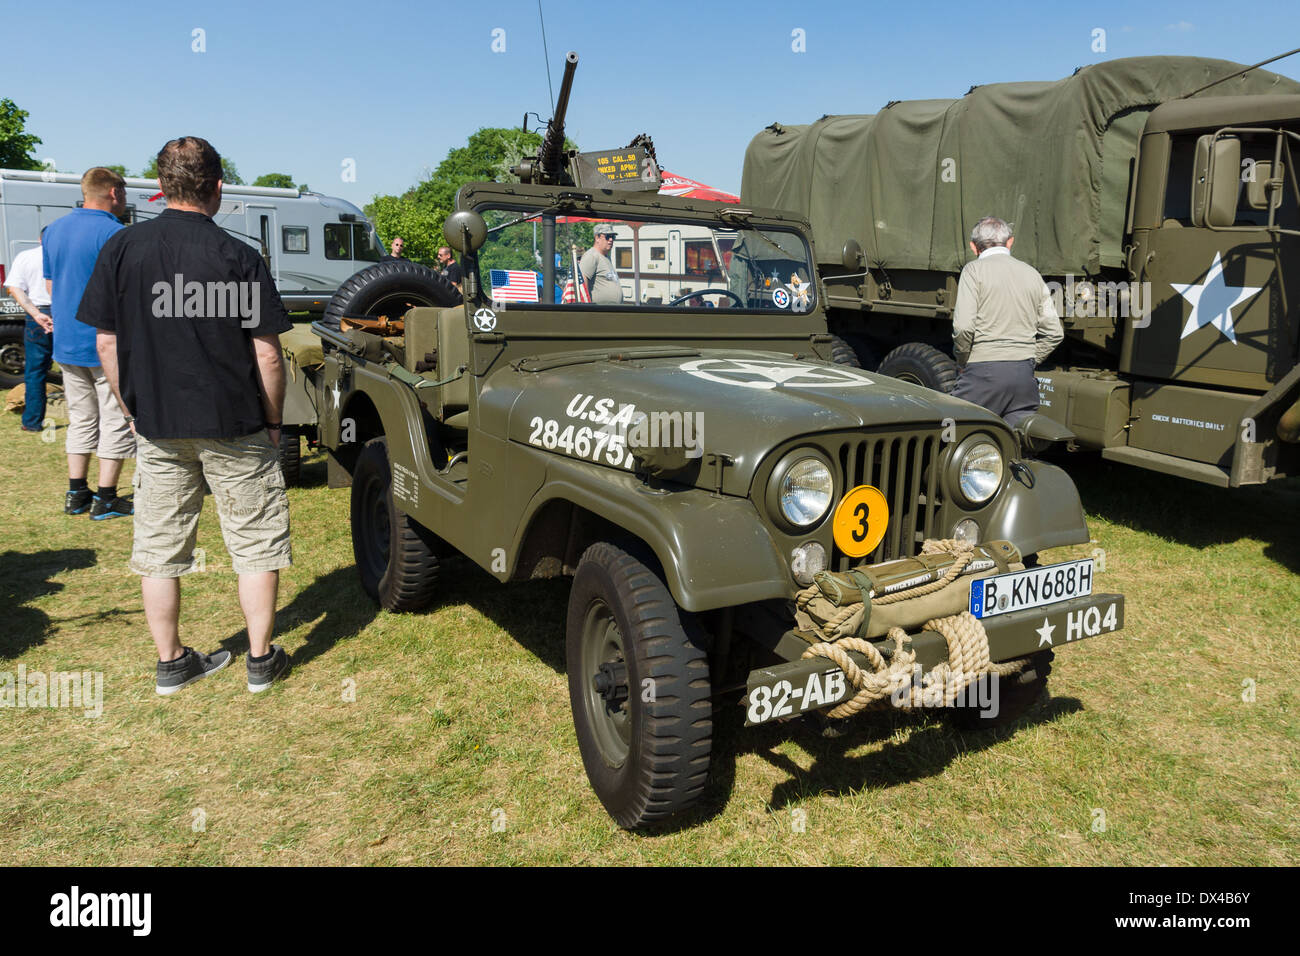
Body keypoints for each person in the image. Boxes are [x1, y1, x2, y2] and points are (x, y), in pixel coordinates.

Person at [80, 136, 295, 696]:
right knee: (254, 543)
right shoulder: (240, 255)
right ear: (217, 187)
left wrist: (130, 409)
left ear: (161, 189)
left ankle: (172, 663)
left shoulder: (123, 248)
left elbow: (106, 343)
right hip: (236, 423)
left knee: (160, 549)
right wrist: (275, 421)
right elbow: (267, 354)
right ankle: (259, 659)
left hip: (158, 423)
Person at [42, 168, 135, 519]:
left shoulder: (53, 230)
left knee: (81, 419)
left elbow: (51, 287)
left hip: (66, 341)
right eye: (124, 193)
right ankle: (107, 498)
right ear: (113, 192)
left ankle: (76, 493)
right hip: (104, 341)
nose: (126, 200)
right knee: (114, 418)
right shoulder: (116, 233)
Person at [951, 217, 1063, 427]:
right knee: (1013, 443)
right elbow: (1055, 332)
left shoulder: (973, 271)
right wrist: (1030, 357)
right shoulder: (1032, 274)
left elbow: (963, 327)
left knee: (959, 435)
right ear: (1010, 242)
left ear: (973, 246)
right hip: (1023, 376)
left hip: (983, 372)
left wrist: (963, 360)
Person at [5, 230, 53, 432]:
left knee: (35, 372)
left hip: (38, 314)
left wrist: (35, 314)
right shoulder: (65, 255)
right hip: (67, 314)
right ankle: (86, 423)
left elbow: (15, 288)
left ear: (39, 238)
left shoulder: (25, 256)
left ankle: (32, 421)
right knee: (76, 370)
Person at [579, 224, 623, 305]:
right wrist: (586, 307)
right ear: (597, 238)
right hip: (598, 312)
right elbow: (582, 282)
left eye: (613, 237)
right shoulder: (591, 255)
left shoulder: (606, 257)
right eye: (607, 236)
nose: (611, 240)